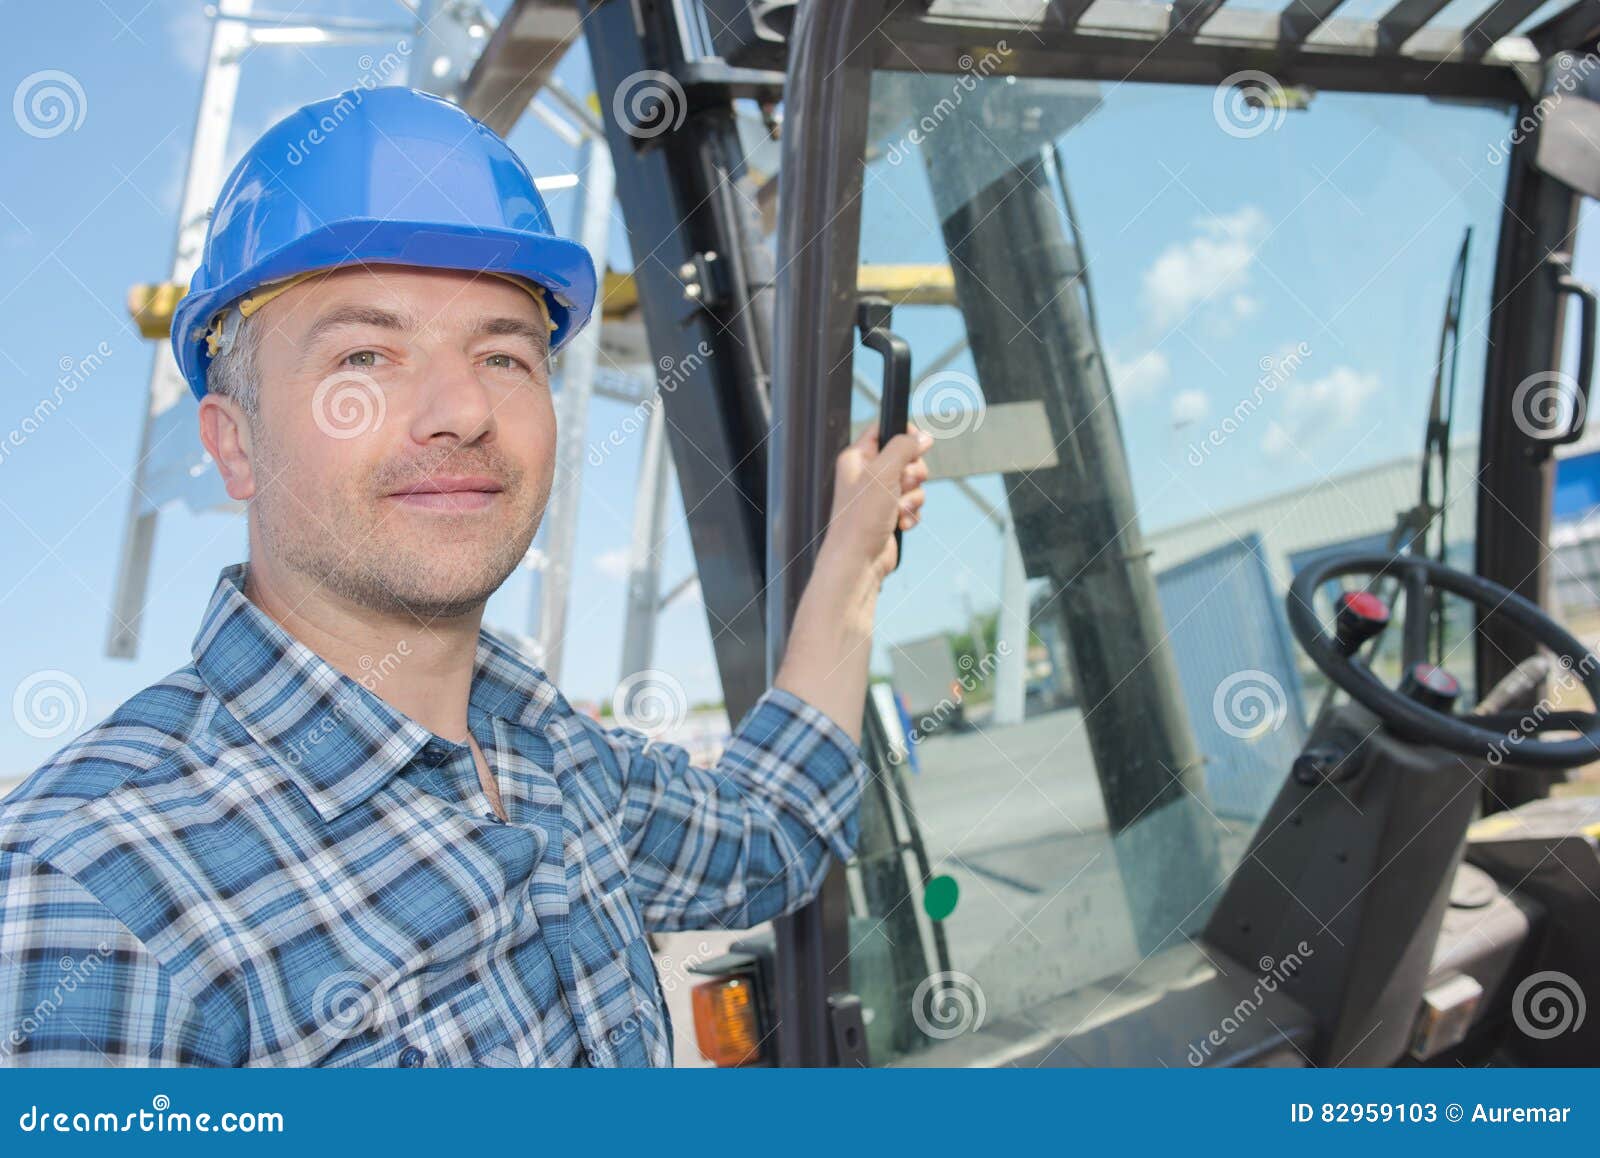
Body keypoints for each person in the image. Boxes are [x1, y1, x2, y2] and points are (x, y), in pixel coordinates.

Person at [0, 87, 929, 1067]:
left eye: (503, 355)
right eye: (366, 355)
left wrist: (852, 555)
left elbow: (772, 828)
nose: (460, 411)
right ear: (235, 446)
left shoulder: (555, 760)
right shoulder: (91, 890)